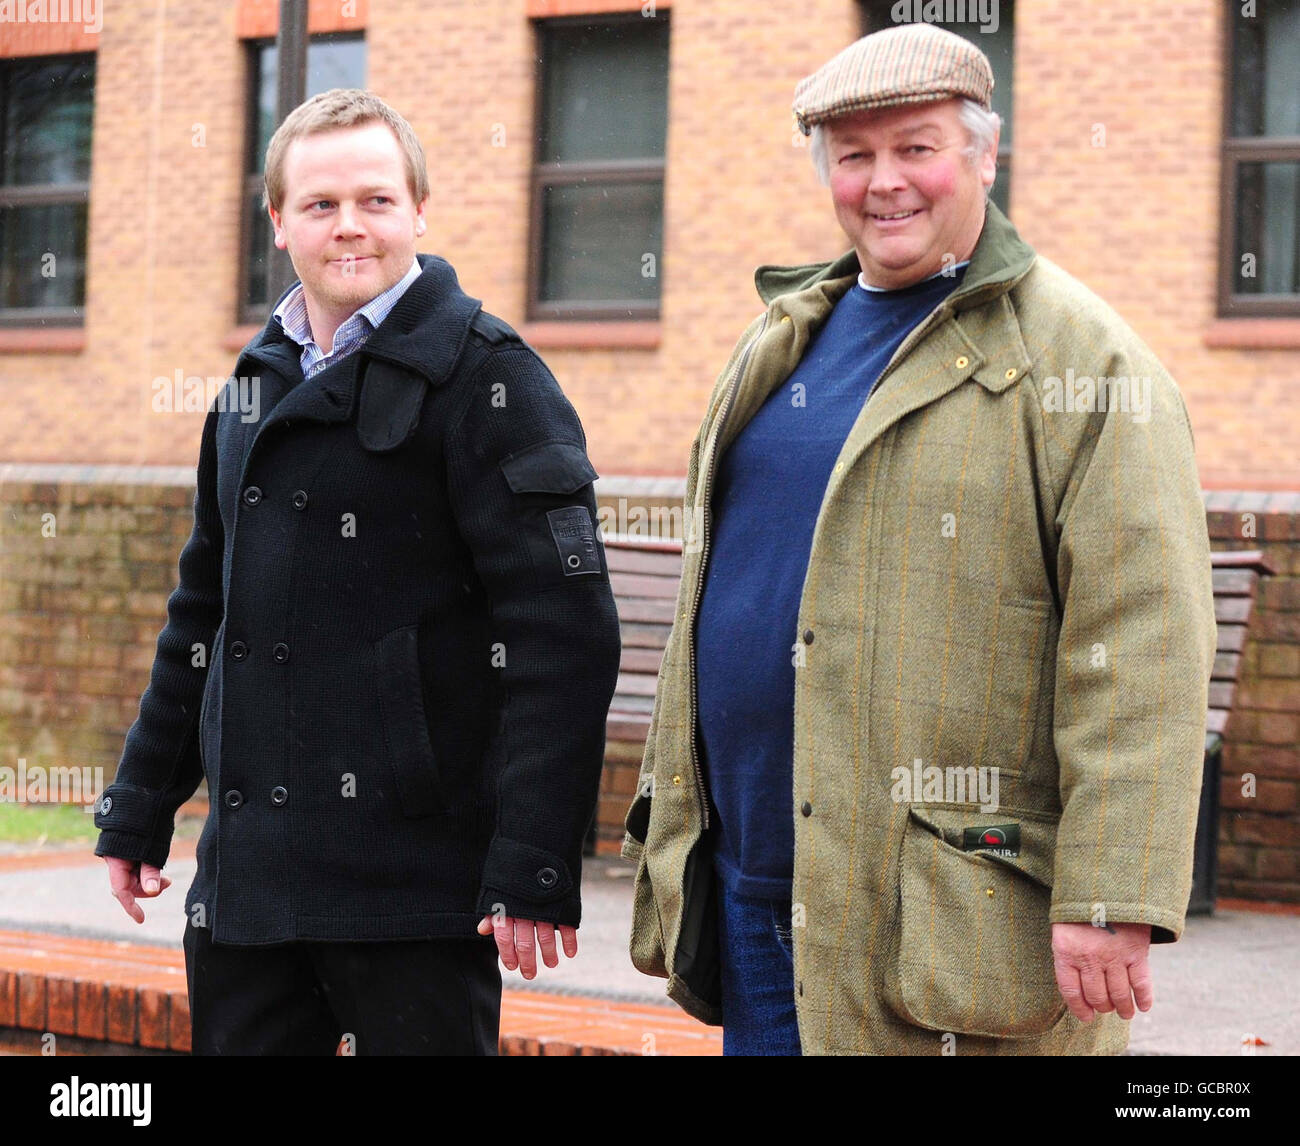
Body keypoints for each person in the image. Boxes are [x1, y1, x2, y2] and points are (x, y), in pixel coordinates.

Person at [623, 23, 1215, 1056]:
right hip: (755, 888)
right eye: (854, 156)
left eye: (916, 147)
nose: (883, 182)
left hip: (947, 920)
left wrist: (1113, 887)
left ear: (984, 154)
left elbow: (1144, 643)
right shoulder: (779, 338)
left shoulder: (1087, 364)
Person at [94, 89, 621, 1055]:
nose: (351, 227)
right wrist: (138, 808)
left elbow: (564, 631)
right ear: (279, 221)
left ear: (420, 209)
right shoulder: (249, 388)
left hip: (415, 898)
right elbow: (203, 618)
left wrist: (535, 861)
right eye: (322, 204)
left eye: (377, 201)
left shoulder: (492, 380)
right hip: (248, 892)